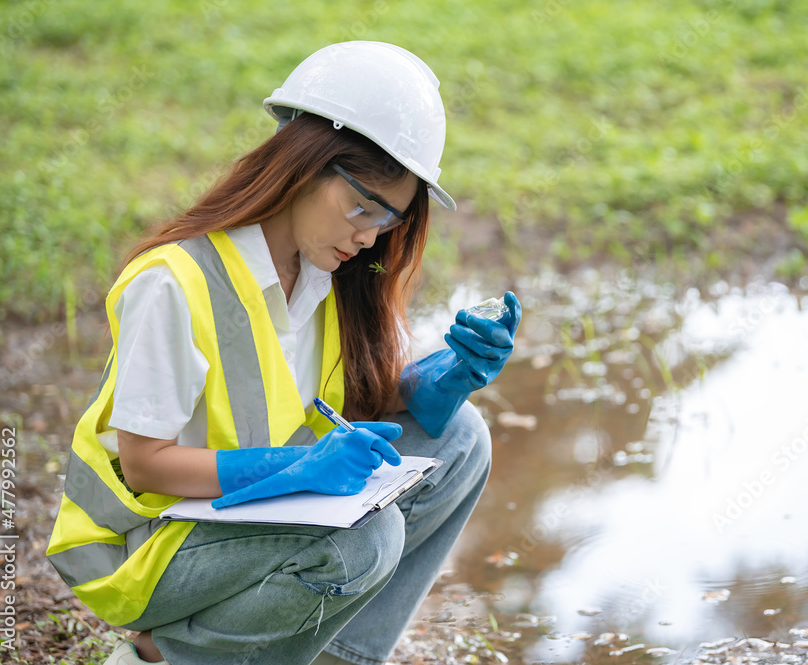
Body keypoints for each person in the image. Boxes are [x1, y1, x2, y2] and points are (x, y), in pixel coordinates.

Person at [45, 41, 521, 665]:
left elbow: (330, 410)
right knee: (365, 539)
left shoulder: (328, 274)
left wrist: (438, 384)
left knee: (460, 440)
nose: (369, 235)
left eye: (389, 220)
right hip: (143, 548)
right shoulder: (175, 282)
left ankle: (333, 657)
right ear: (304, 165)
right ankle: (160, 654)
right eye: (362, 206)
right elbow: (145, 465)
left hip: (237, 522)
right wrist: (285, 470)